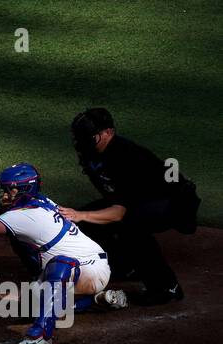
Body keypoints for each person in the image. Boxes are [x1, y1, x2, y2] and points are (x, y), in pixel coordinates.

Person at [0, 163, 126, 344]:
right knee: (32, 307)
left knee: (60, 263)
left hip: (91, 268)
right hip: (80, 270)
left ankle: (40, 336)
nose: (4, 196)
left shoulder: (26, 216)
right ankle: (98, 300)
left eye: (9, 191)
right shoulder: (38, 201)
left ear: (25, 191)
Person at [57, 108, 200, 305]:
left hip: (174, 201)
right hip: (142, 198)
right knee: (89, 224)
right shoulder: (91, 150)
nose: (83, 141)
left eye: (91, 136)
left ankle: (166, 287)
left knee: (131, 227)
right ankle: (126, 265)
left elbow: (119, 212)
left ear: (109, 132)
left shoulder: (127, 157)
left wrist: (81, 214)